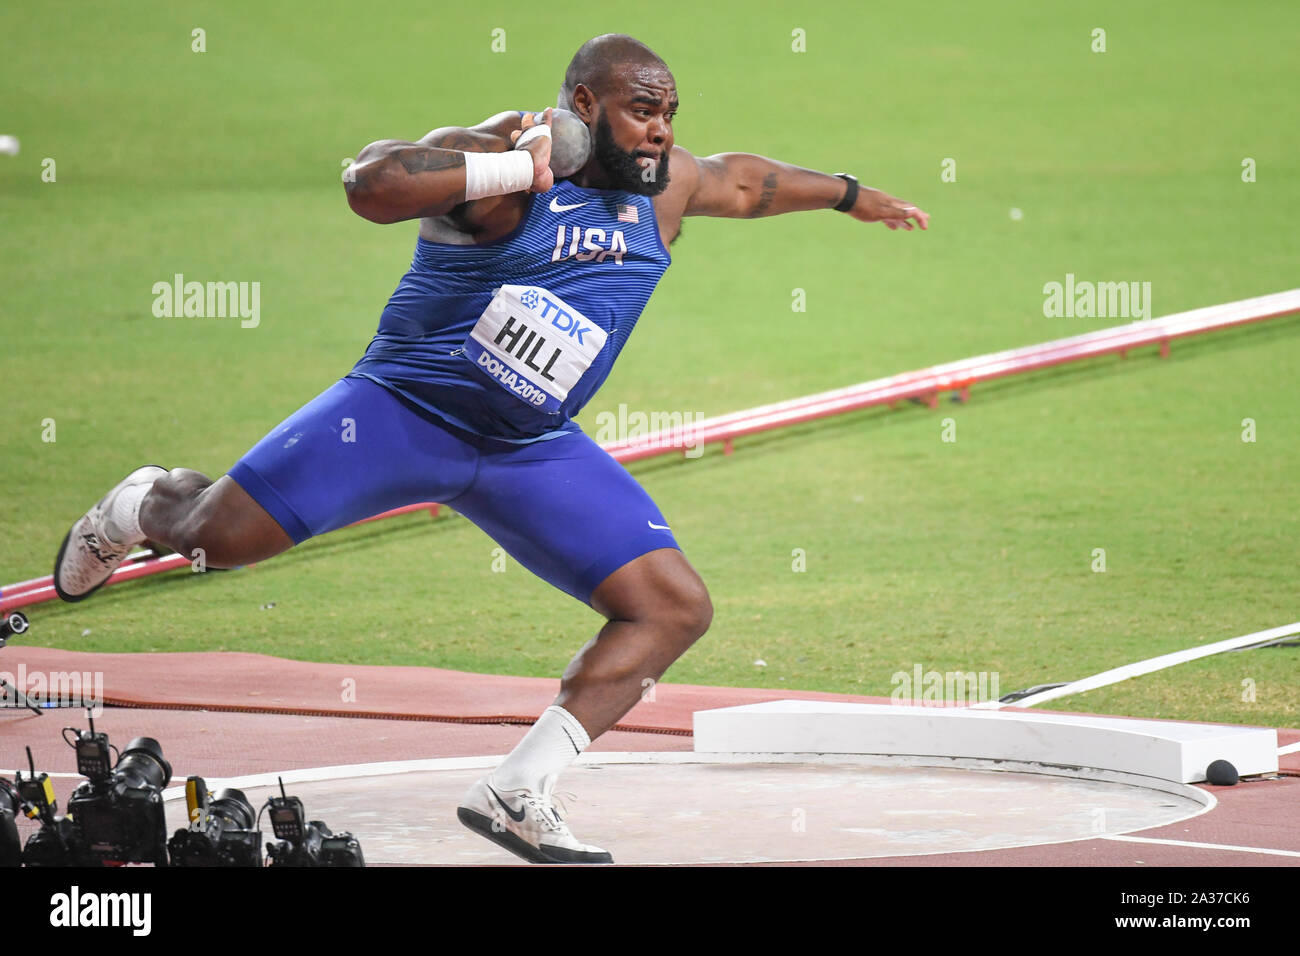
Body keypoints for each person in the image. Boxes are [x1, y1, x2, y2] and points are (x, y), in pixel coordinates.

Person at [53, 33, 929, 864]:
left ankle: (520, 788)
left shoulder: (665, 188)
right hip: (401, 413)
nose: (661, 130)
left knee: (672, 607)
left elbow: (746, 181)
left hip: (529, 448)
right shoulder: (503, 168)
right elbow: (370, 182)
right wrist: (515, 163)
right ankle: (140, 502)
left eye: (669, 112)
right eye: (641, 111)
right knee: (218, 538)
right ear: (584, 105)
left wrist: (851, 194)